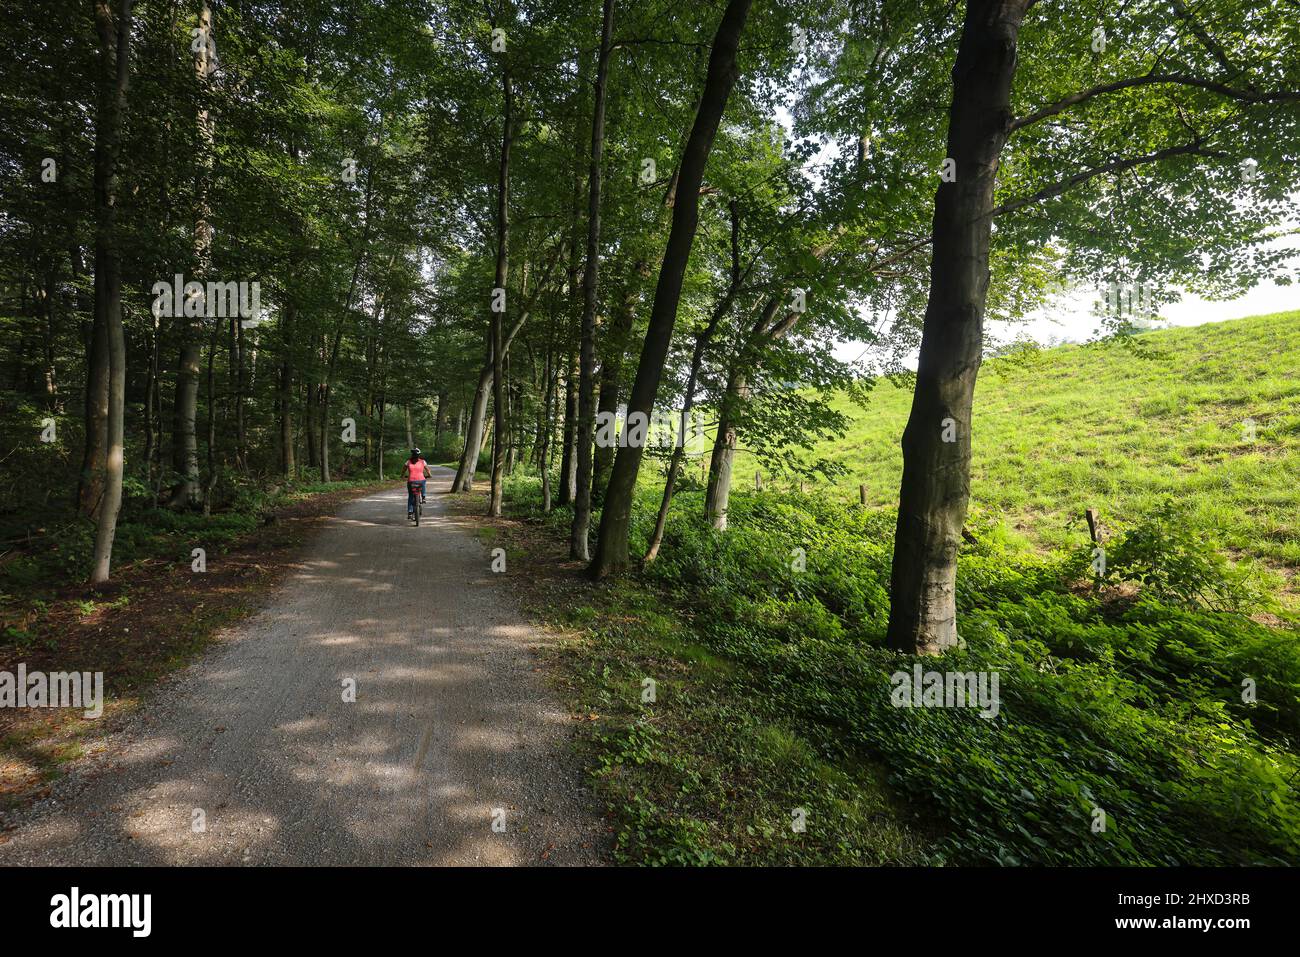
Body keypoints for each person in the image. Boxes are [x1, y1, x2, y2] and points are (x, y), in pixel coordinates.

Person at [403, 448, 430, 516]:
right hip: (421, 480)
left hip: (411, 481)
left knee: (411, 496)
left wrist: (402, 475)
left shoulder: (408, 462)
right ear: (419, 455)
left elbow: (403, 470)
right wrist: (429, 475)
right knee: (423, 481)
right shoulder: (423, 461)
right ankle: (423, 497)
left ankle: (410, 511)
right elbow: (428, 470)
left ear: (412, 454)